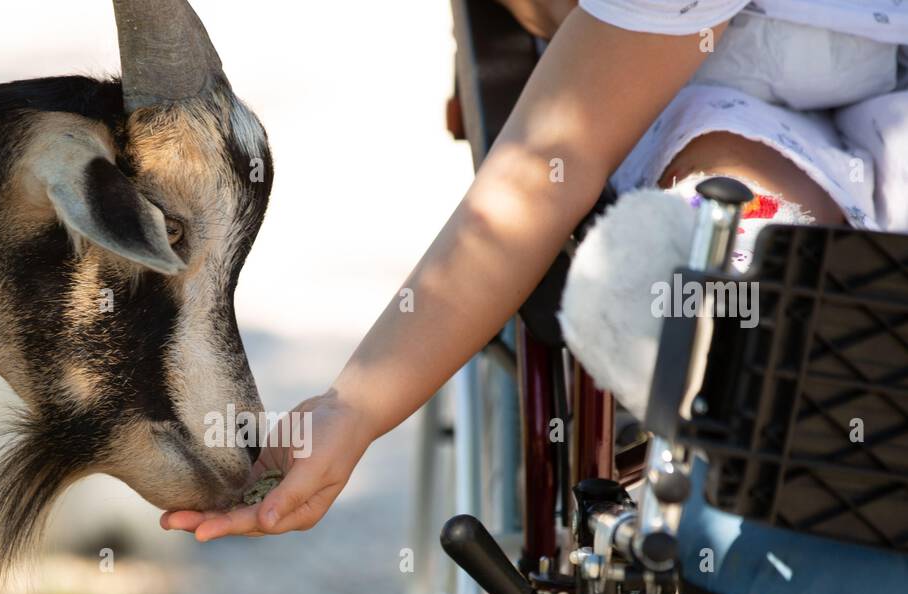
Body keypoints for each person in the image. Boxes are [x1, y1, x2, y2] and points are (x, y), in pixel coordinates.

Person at [162, 0, 908, 541]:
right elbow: (542, 177)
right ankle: (746, 310)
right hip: (693, 89)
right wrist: (353, 409)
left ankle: (754, 320)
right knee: (739, 224)